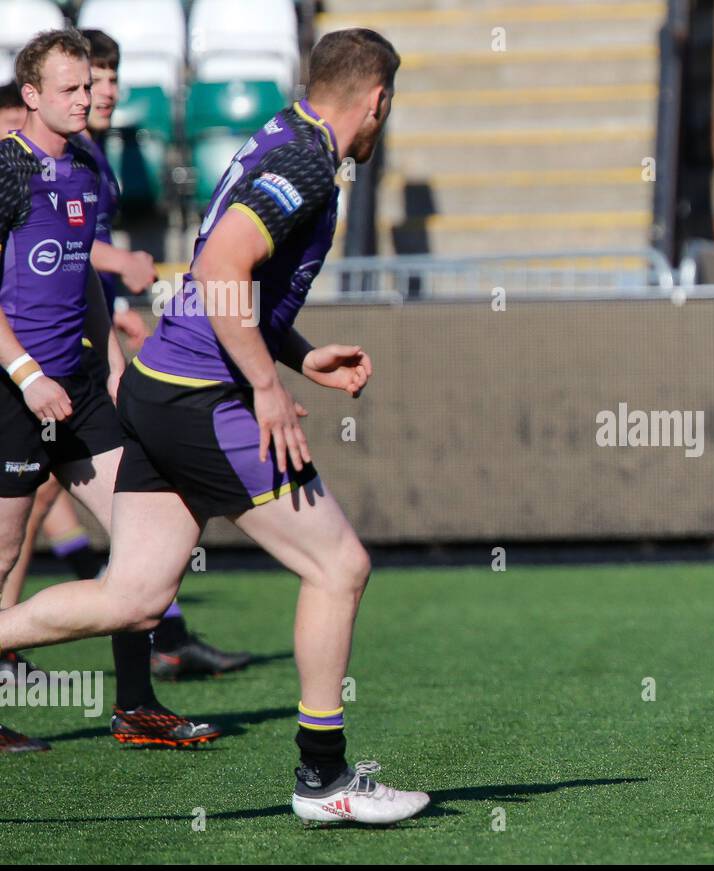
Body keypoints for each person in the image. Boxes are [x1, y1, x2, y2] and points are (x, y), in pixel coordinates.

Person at [0, 28, 430, 824]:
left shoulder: (283, 134)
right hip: (203, 397)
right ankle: (324, 779)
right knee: (339, 566)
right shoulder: (305, 159)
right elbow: (221, 268)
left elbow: (228, 276)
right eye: (387, 107)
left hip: (166, 385)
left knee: (134, 596)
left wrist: (298, 355)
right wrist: (266, 384)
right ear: (376, 101)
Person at [1, 30, 252, 686]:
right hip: (13, 393)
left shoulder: (86, 167)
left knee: (143, 542)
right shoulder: (6, 167)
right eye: (73, 88)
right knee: (2, 555)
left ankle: (137, 702)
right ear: (31, 95)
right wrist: (27, 378)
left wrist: (112, 372)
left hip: (79, 391)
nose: (89, 97)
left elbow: (82, 276)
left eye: (92, 85)